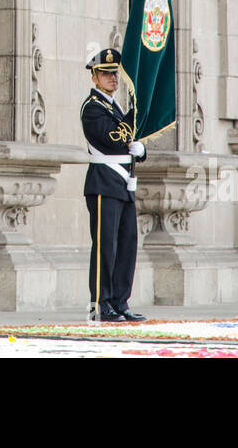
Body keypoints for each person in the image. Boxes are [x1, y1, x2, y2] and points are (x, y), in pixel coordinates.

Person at [80, 47, 147, 323]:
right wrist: (137, 117)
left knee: (127, 244)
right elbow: (113, 136)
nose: (113, 79)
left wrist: (141, 150)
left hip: (123, 184)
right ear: (94, 77)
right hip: (104, 182)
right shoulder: (92, 108)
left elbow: (127, 138)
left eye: (115, 74)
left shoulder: (114, 107)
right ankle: (101, 302)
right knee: (105, 245)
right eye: (106, 74)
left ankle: (120, 301)